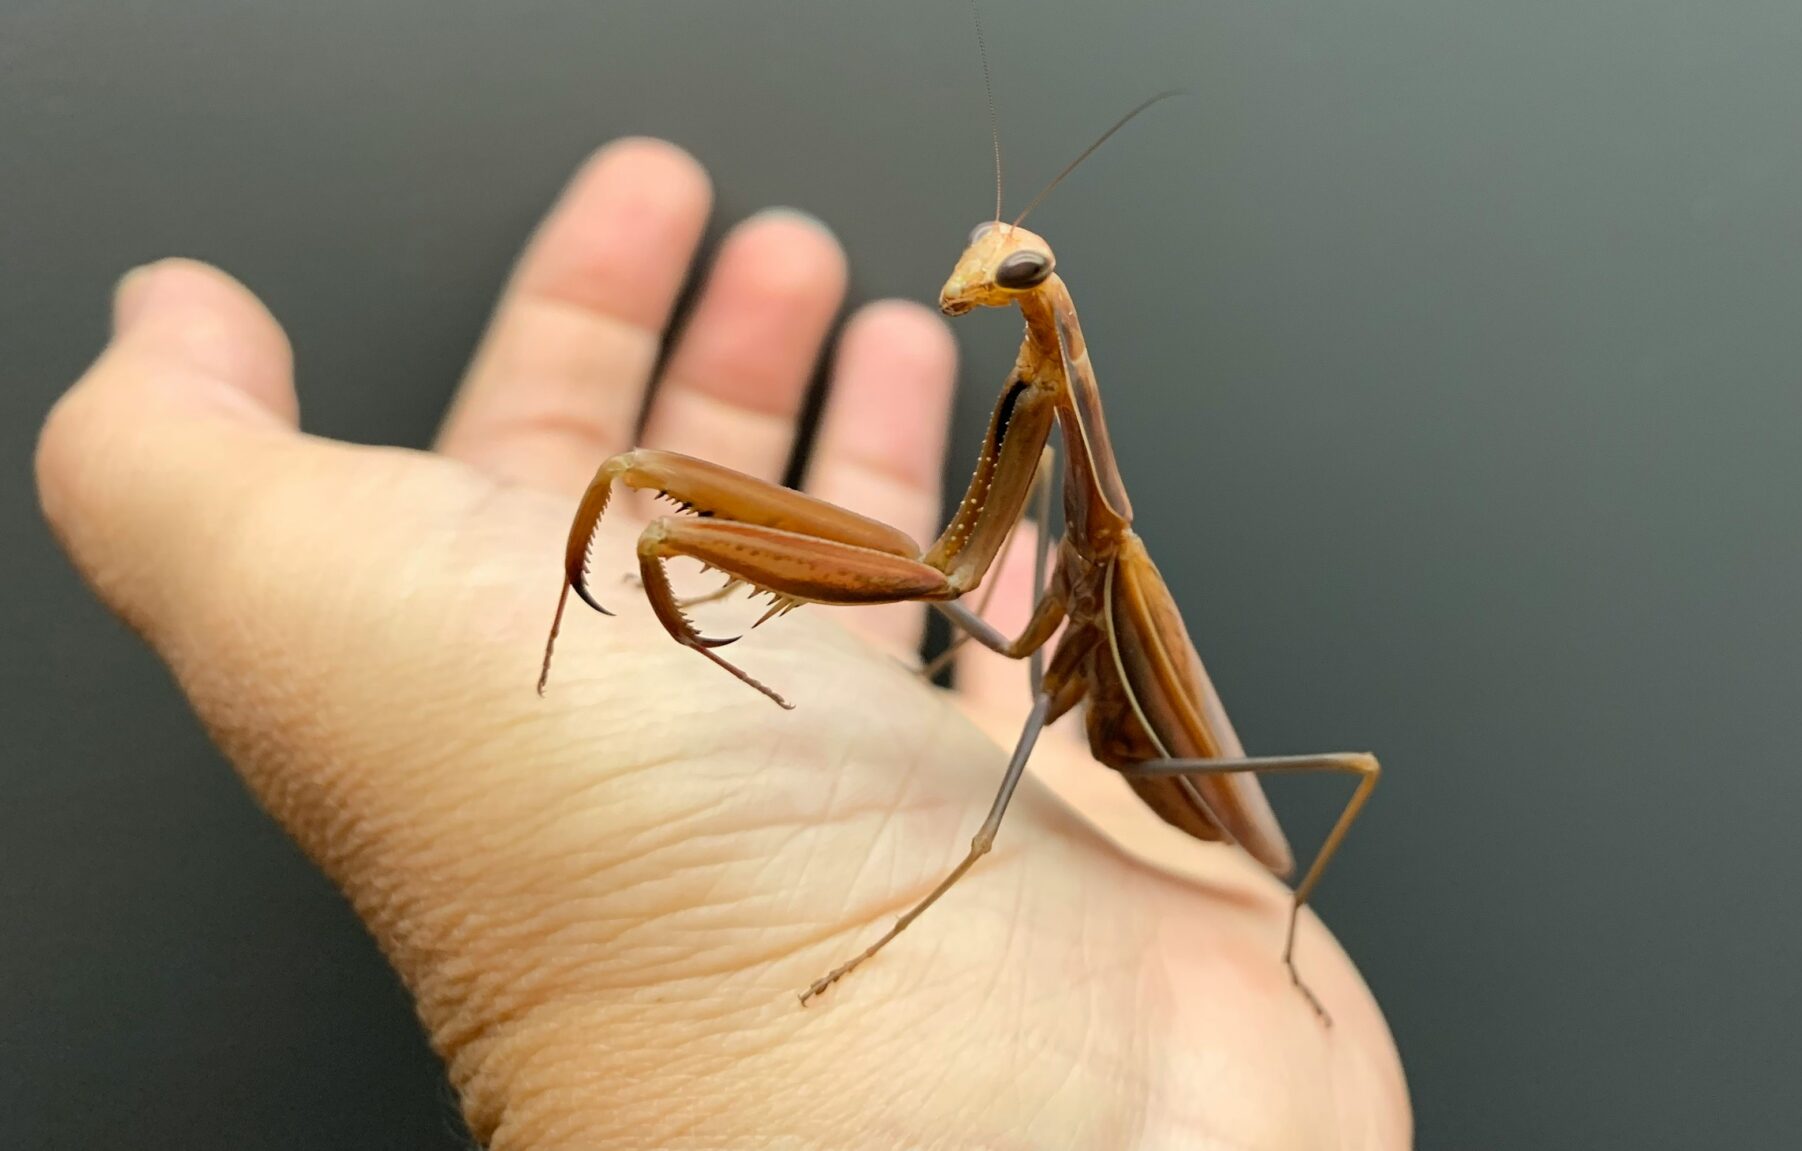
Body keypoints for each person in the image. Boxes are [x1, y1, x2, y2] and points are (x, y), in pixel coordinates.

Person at [34, 137, 1410, 1149]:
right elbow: (956, 581)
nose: (976, 281)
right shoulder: (1045, 424)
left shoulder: (1096, 511)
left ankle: (1247, 927)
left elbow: (956, 586)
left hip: (1199, 789)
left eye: (1012, 274)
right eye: (994, 260)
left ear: (1043, 301)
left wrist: (1273, 939)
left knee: (1339, 766)